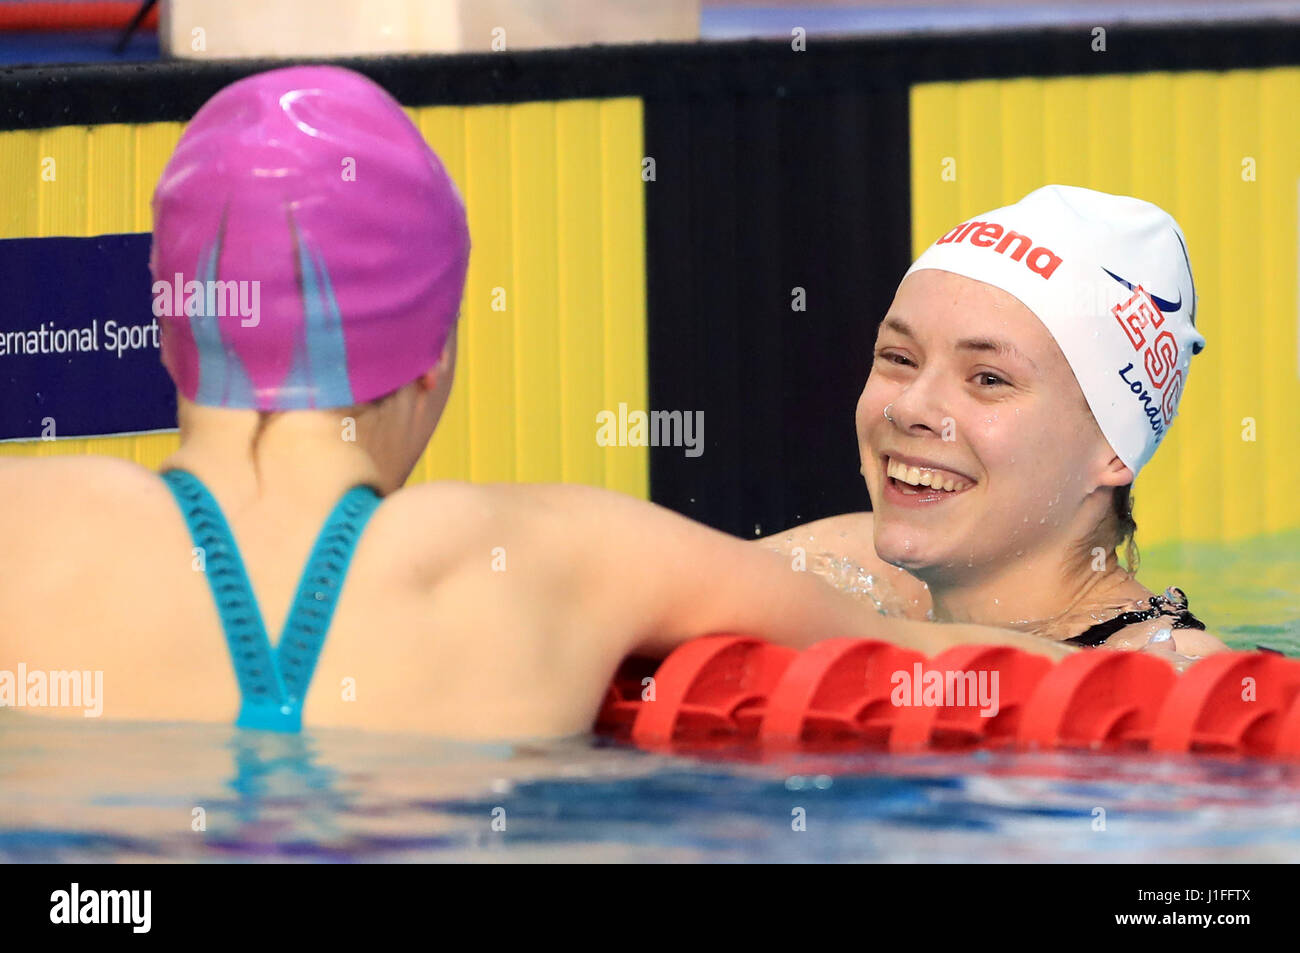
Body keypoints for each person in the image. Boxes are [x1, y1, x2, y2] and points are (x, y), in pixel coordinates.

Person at [0, 67, 1070, 739]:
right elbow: (933, 658)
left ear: (172, 320)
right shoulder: (558, 554)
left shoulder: (27, 526)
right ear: (432, 354)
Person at [763, 185, 1227, 662]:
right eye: (899, 358)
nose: (908, 408)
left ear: (1112, 449)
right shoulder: (859, 564)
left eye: (988, 378)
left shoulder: (1175, 669)